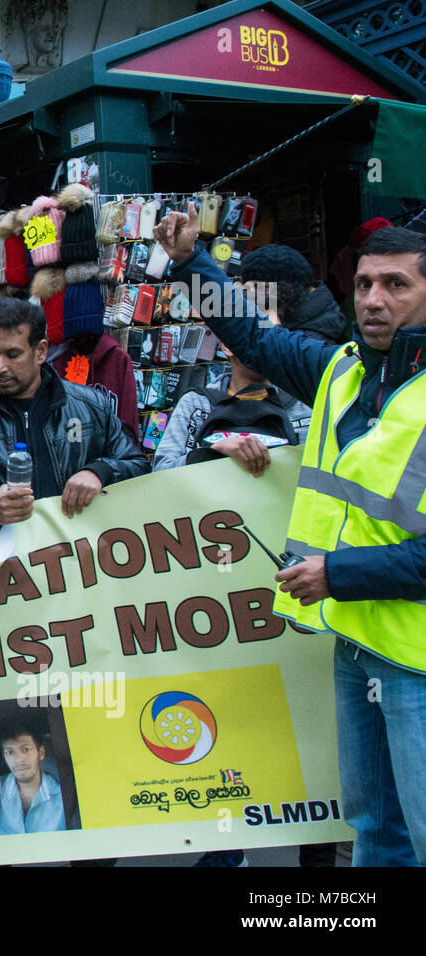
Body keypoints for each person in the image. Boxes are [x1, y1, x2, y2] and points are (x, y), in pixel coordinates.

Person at [154, 210, 426, 866]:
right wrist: (192, 262)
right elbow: (251, 332)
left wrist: (338, 575)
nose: (373, 300)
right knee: (374, 831)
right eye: (362, 285)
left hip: (414, 663)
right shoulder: (341, 371)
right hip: (358, 646)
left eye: (395, 285)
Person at [0, 298, 150, 565]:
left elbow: (138, 465)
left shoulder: (90, 406)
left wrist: (99, 472)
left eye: (12, 354)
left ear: (40, 351)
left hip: (81, 570)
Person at [154, 333, 309, 474]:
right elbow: (161, 473)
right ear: (226, 346)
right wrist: (210, 452)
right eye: (257, 336)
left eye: (274, 336)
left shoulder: (302, 405)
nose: (268, 346)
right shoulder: (197, 403)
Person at [241, 243, 350, 345]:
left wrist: (271, 332)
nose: (251, 295)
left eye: (257, 287)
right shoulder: (298, 311)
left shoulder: (312, 339)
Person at [0, 728, 67, 836]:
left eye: (25, 749)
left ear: (41, 753)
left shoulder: (62, 796)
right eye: (10, 752)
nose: (18, 759)